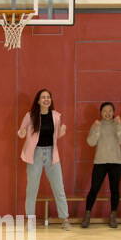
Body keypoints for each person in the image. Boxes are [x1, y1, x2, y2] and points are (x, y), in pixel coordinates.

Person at [18, 89, 70, 230]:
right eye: (43, 97)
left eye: (48, 97)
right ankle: (30, 219)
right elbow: (21, 132)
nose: (46, 99)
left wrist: (62, 132)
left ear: (51, 100)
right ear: (38, 101)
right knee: (32, 188)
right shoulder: (30, 116)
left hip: (52, 153)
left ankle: (65, 219)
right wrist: (21, 132)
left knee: (59, 187)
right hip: (35, 154)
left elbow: (55, 136)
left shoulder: (56, 116)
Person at [82, 102, 121, 228]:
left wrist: (119, 125)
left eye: (110, 111)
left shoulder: (117, 123)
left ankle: (113, 216)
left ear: (113, 112)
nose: (107, 113)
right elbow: (91, 142)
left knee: (115, 190)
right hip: (100, 162)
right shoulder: (97, 124)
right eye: (105, 111)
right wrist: (96, 128)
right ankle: (87, 216)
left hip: (116, 162)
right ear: (101, 113)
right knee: (94, 189)